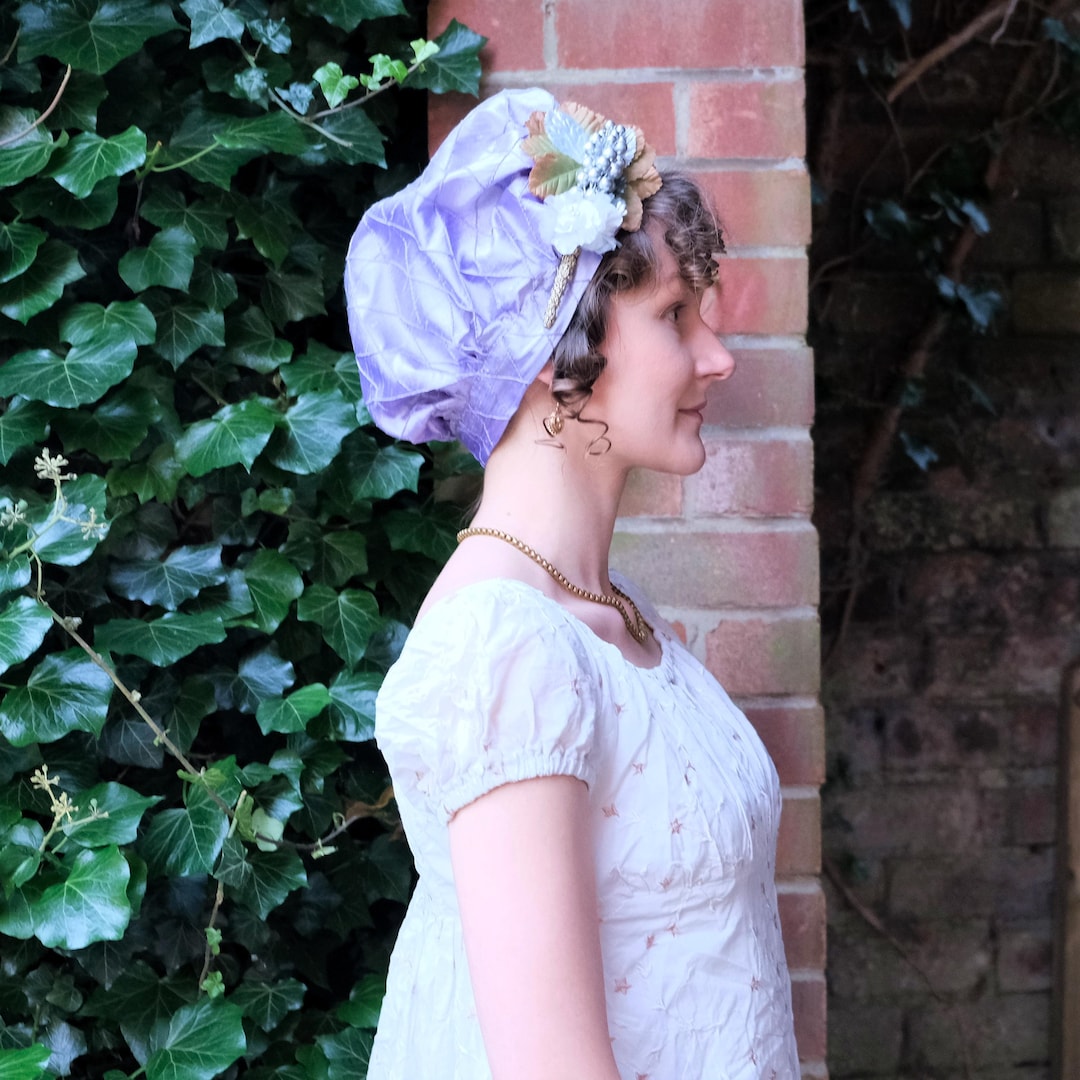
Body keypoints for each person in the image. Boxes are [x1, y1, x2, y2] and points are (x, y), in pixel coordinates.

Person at [344, 87, 799, 1080]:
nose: (717, 358)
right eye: (676, 315)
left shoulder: (608, 611)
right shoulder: (506, 649)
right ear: (558, 353)